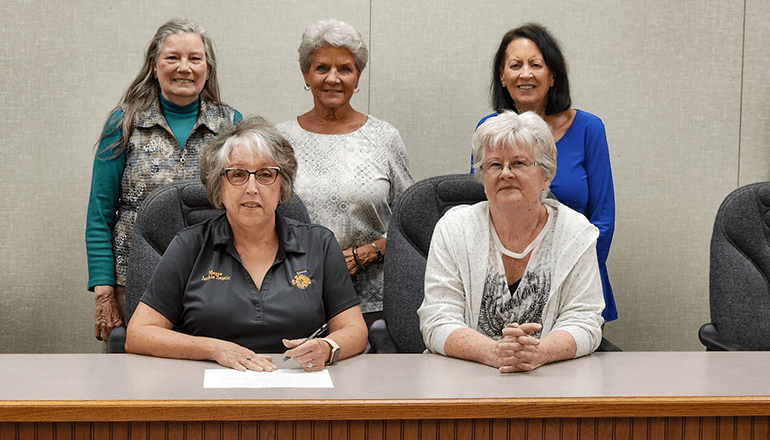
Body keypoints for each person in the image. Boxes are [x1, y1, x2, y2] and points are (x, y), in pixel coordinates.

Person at [125, 116, 368, 372]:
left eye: (265, 174)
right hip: (208, 392)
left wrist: (327, 347)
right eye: (238, 174)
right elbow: (139, 334)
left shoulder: (320, 243)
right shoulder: (189, 245)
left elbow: (355, 330)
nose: (252, 188)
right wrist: (214, 349)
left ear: (282, 186)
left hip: (298, 389)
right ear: (219, 188)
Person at [86, 19, 242, 343]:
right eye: (172, 58)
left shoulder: (231, 125)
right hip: (135, 279)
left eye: (194, 59)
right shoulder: (125, 122)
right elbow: (100, 211)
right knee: (137, 379)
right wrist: (104, 290)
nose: (183, 67)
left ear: (207, 69)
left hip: (213, 277)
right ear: (154, 66)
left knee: (208, 368)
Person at [420, 111, 604, 373]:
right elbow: (437, 319)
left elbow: (585, 320)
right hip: (465, 378)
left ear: (546, 176)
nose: (505, 173)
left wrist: (540, 353)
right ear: (482, 176)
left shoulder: (575, 233)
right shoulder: (454, 228)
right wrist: (495, 353)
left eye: (519, 163)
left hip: (551, 378)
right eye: (494, 165)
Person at [473, 23, 617, 322]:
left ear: (552, 76)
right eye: (515, 65)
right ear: (502, 76)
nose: (525, 74)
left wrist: (570, 278)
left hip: (575, 285)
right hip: (505, 288)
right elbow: (485, 210)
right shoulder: (489, 130)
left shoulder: (589, 129)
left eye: (535, 65)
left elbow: (603, 219)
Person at [277, 19, 413, 328]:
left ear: (358, 76)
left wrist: (366, 253)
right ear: (306, 75)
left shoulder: (385, 137)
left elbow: (410, 223)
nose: (333, 79)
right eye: (322, 68)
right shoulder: (280, 140)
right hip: (293, 296)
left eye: (345, 69)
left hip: (374, 303)